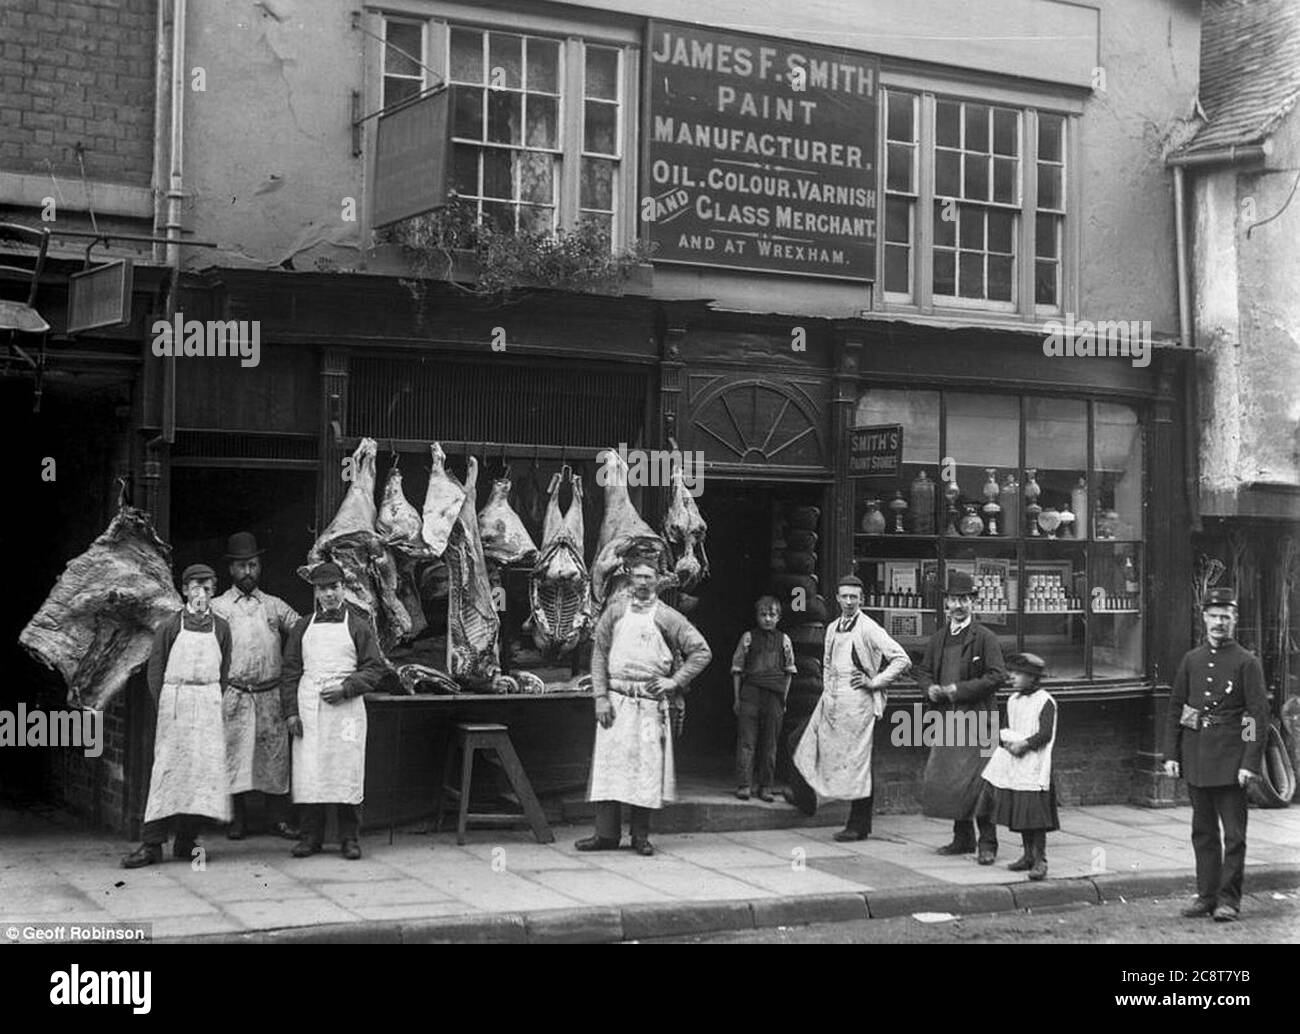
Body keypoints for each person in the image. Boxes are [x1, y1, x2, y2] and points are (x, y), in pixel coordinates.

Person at [576, 560, 712, 856]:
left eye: (648, 577)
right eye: (637, 576)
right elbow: (598, 654)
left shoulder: (668, 617)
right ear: (629, 579)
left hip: (650, 705)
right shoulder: (614, 611)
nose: (642, 582)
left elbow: (701, 651)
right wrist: (600, 696)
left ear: (657, 581)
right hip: (616, 700)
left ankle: (640, 837)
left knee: (645, 769)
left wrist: (674, 681)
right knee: (609, 767)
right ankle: (606, 835)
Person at [1163, 586, 1269, 922]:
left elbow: (1254, 716)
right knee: (1203, 833)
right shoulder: (1192, 660)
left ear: (1235, 620)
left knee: (1234, 837)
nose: (1219, 623)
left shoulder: (1246, 662)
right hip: (1196, 757)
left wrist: (1249, 762)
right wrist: (1172, 754)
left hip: (1231, 761)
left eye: (1226, 617)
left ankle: (1229, 900)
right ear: (1204, 618)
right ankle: (1206, 896)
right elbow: (1176, 708)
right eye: (1213, 616)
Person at [122, 564, 232, 868]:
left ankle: (187, 841)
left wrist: (210, 700)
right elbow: (155, 670)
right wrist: (168, 706)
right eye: (196, 585)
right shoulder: (170, 626)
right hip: (176, 702)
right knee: (166, 772)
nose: (202, 592)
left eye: (208, 587)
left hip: (207, 701)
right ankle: (152, 844)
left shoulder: (221, 628)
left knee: (199, 772)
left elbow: (223, 672)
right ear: (185, 589)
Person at [280, 562, 388, 860]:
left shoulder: (357, 625)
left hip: (346, 712)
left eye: (333, 587)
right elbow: (290, 670)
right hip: (309, 706)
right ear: (315, 592)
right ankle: (310, 837)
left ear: (344, 588)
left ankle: (349, 838)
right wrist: (291, 712)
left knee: (346, 769)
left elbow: (375, 668)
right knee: (309, 771)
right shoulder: (303, 626)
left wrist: (347, 688)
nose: (328, 594)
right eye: (321, 589)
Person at [791, 574, 910, 841]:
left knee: (858, 764)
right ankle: (806, 797)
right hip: (833, 700)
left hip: (859, 705)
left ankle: (858, 825)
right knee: (799, 743)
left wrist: (874, 682)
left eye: (853, 597)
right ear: (837, 598)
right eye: (844, 596)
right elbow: (828, 664)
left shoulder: (869, 628)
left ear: (861, 600)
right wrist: (827, 693)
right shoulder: (832, 627)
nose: (848, 601)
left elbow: (901, 659)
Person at [211, 531, 301, 840]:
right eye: (241, 566)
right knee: (234, 756)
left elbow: (302, 630)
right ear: (230, 569)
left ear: (260, 566)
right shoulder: (218, 607)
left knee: (273, 758)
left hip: (270, 694)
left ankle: (278, 819)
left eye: (252, 565)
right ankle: (237, 820)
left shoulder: (274, 605)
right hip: (235, 693)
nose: (247, 572)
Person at [914, 570, 1006, 863]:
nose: (958, 605)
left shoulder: (985, 638)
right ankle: (962, 838)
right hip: (949, 720)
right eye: (954, 599)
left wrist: (957, 689)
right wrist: (929, 689)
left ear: (973, 603)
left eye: (964, 599)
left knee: (982, 783)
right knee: (953, 780)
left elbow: (997, 676)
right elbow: (925, 671)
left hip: (980, 720)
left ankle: (988, 843)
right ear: (947, 603)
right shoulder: (939, 638)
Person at [977, 653, 1058, 880]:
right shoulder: (1013, 700)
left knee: (1034, 814)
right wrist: (1005, 741)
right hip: (1015, 762)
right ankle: (1027, 856)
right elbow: (1005, 726)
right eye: (1011, 673)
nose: (1012, 677)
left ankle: (1040, 859)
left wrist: (1024, 744)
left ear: (1032, 678)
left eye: (1017, 674)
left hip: (1034, 764)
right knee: (1021, 811)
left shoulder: (1045, 701)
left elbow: (1045, 733)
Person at [731, 595, 796, 802]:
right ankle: (744, 784)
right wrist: (737, 699)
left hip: (774, 696)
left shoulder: (784, 640)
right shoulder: (748, 637)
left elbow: (789, 672)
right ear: (757, 616)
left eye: (772, 615)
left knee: (770, 743)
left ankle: (766, 785)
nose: (768, 619)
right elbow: (737, 669)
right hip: (750, 693)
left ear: (778, 617)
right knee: (747, 741)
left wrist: (783, 699)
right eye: (763, 615)